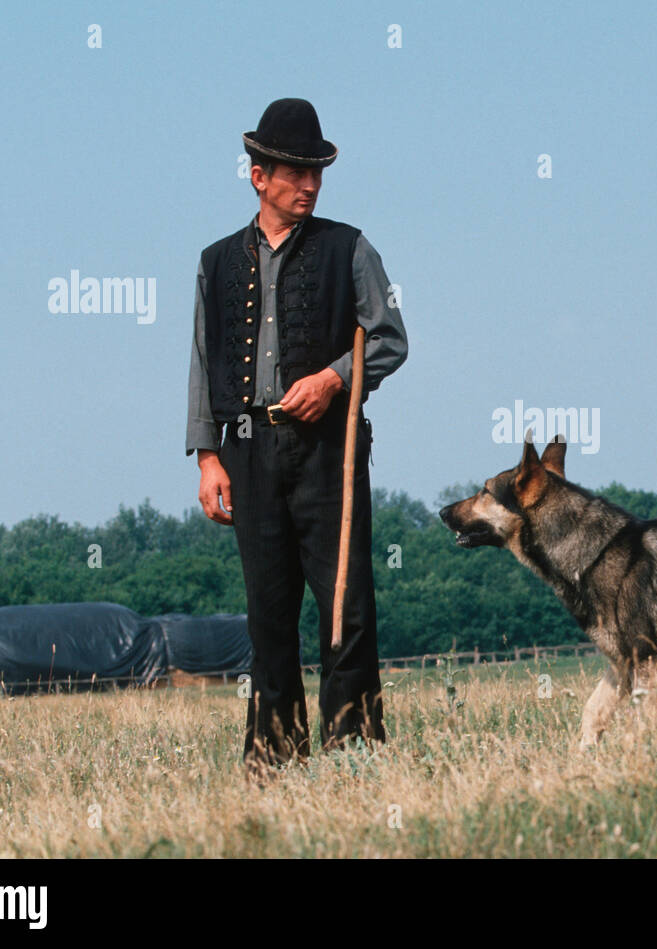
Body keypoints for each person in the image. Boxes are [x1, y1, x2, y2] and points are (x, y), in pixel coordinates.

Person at [185, 98, 408, 780]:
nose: (309, 186)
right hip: (248, 449)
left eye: (317, 174)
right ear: (258, 176)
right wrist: (208, 457)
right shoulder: (216, 261)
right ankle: (275, 761)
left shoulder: (351, 247)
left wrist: (335, 379)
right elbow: (202, 358)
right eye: (295, 172)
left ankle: (352, 757)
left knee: (346, 607)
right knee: (268, 616)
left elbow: (393, 339)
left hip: (328, 453)